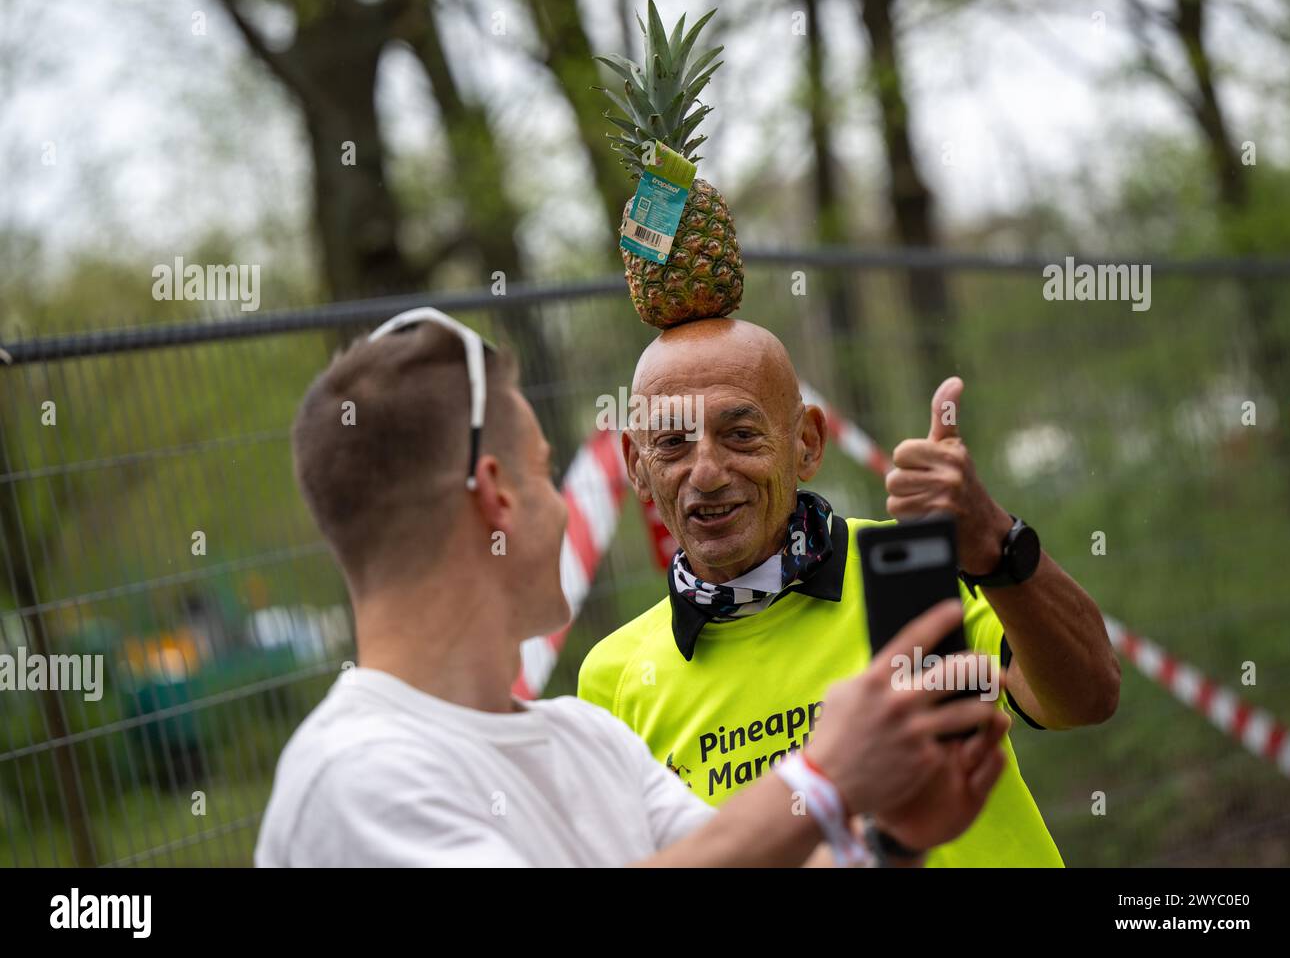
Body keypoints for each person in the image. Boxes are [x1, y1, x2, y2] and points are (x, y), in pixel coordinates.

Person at [254, 309, 1010, 868]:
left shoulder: (589, 740)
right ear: (496, 496)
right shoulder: (357, 777)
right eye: (548, 472)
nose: (570, 504)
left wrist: (895, 836)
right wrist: (824, 778)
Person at [579, 317, 1122, 867]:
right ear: (637, 467)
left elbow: (1087, 697)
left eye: (741, 435)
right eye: (673, 443)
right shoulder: (612, 678)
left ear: (807, 444)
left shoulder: (913, 566)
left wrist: (995, 544)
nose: (708, 472)